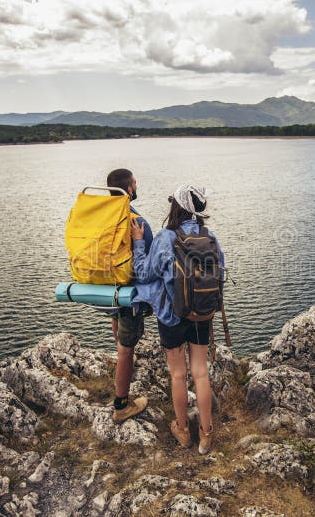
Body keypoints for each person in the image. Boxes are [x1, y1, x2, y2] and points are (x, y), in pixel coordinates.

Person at [129, 184, 224, 454]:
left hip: (171, 316)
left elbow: (143, 273)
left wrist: (138, 242)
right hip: (202, 314)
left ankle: (182, 431)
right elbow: (220, 273)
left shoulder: (165, 238)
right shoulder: (210, 236)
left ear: (176, 207)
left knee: (178, 374)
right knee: (201, 372)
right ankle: (206, 435)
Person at [106, 168, 153, 423]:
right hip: (130, 296)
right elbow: (146, 269)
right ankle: (122, 405)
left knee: (120, 339)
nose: (137, 185)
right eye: (135, 182)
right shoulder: (137, 222)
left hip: (108, 290)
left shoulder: (104, 218)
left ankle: (121, 380)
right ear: (129, 189)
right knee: (126, 349)